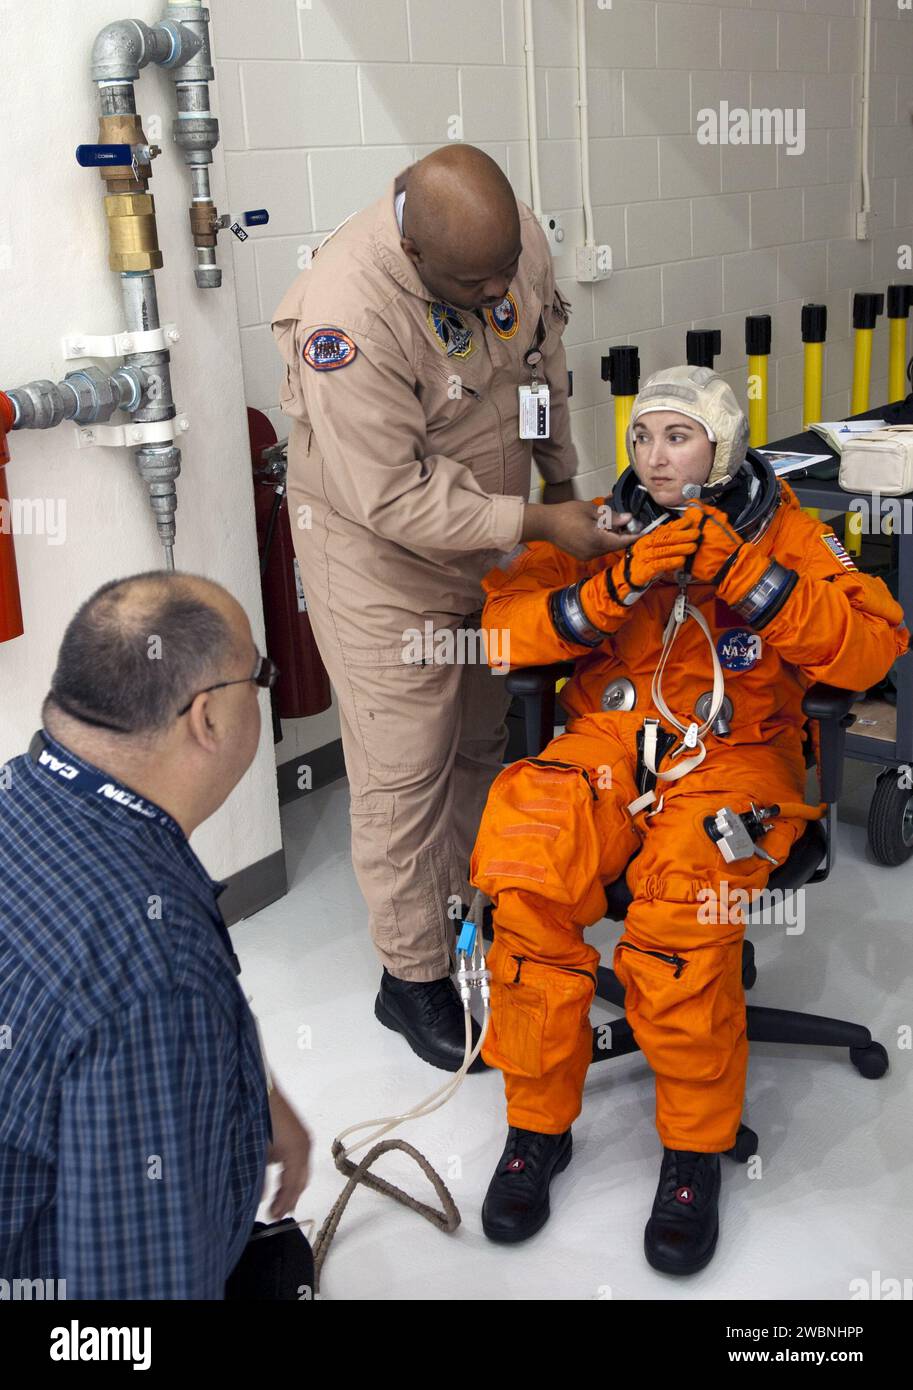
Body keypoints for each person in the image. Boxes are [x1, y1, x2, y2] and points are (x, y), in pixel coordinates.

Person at [470, 365, 909, 1272]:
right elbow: (501, 632)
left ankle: (692, 1153)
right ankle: (534, 1129)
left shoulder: (787, 530)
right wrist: (615, 583)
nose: (654, 456)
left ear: (723, 445)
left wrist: (745, 578)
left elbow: (871, 650)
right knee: (523, 879)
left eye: (678, 437)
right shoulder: (599, 525)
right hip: (610, 740)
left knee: (678, 911)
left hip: (737, 755)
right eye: (641, 437)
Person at [272, 143, 632, 1074]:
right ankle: (414, 977)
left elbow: (539, 372)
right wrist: (535, 517)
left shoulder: (506, 252)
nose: (495, 289)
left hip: (497, 538)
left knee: (483, 735)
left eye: (505, 270)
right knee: (404, 768)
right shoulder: (346, 312)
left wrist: (564, 487)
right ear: (418, 250)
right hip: (382, 559)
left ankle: (479, 915)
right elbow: (389, 495)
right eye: (473, 281)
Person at [0, 573, 312, 1299]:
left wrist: (256, 1098)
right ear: (207, 718)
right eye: (260, 677)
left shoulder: (29, 793)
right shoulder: (154, 970)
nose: (267, 688)